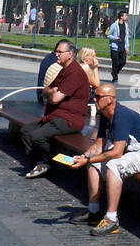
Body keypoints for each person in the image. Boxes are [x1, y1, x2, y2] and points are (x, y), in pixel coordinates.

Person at [69, 82, 140, 235]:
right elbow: (99, 144)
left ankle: (112, 219)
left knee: (113, 165)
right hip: (132, 151)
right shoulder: (106, 115)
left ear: (110, 99)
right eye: (94, 95)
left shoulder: (121, 115)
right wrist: (84, 157)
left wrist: (88, 160)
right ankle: (93, 211)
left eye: (98, 96)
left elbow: (117, 152)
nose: (94, 99)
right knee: (94, 164)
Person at [22, 40, 91, 178]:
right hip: (55, 116)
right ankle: (39, 162)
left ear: (70, 54)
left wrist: (51, 92)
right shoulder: (63, 70)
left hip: (69, 120)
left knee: (36, 136)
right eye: (56, 52)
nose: (56, 55)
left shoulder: (75, 73)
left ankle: (48, 162)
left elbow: (54, 98)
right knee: (26, 130)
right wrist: (50, 91)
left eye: (60, 52)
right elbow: (45, 90)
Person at [106, 9, 129, 83]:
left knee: (123, 62)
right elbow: (108, 35)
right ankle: (115, 78)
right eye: (125, 16)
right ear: (121, 17)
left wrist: (127, 47)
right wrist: (116, 38)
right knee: (115, 63)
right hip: (115, 47)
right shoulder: (114, 25)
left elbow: (126, 37)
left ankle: (114, 72)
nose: (126, 17)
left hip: (122, 47)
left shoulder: (126, 25)